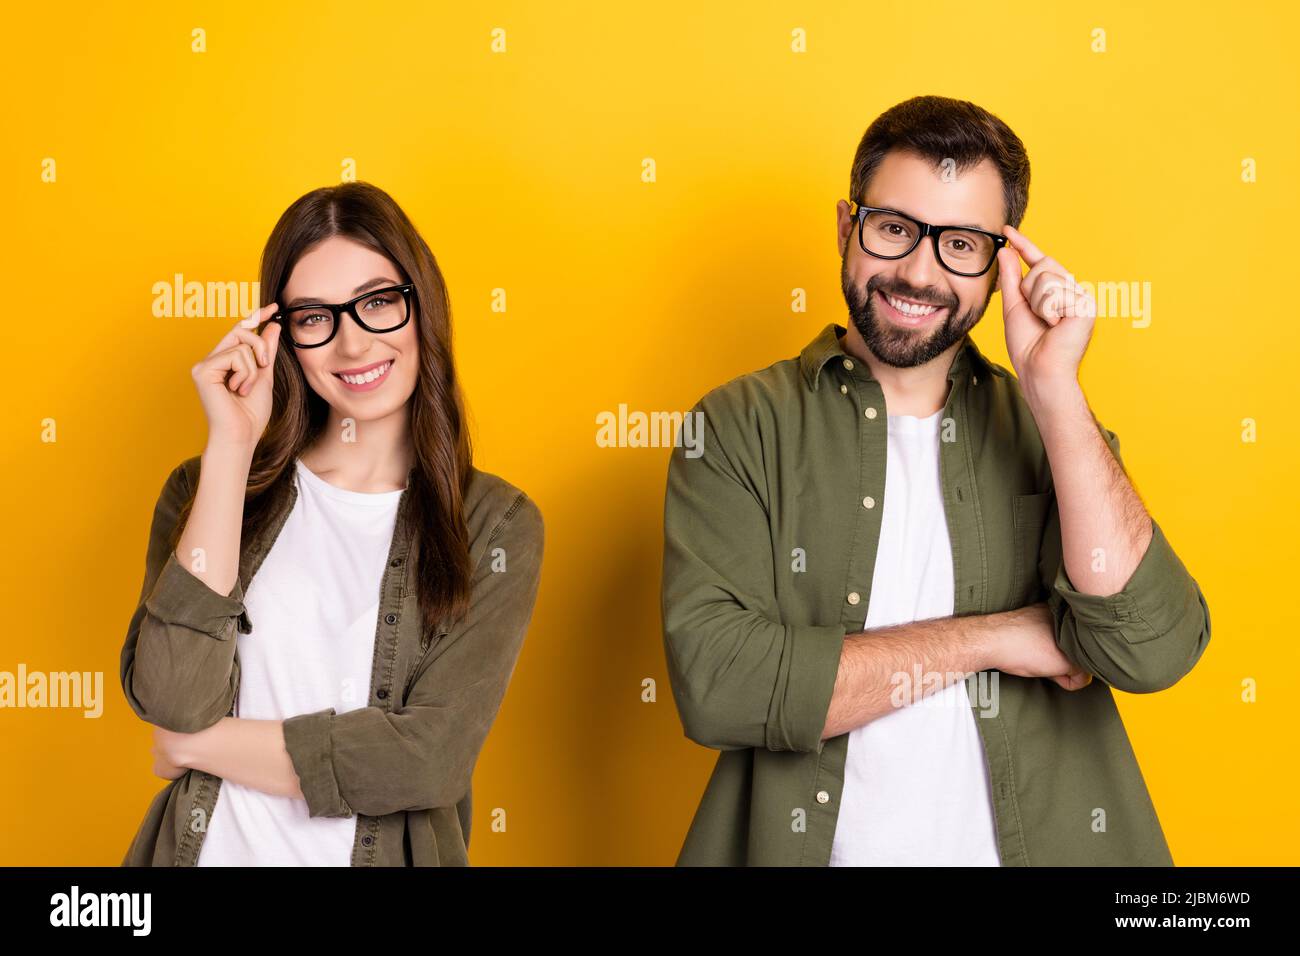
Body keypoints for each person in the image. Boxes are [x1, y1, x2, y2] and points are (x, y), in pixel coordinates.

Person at [660, 95, 1211, 866]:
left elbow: (1153, 650)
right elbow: (724, 687)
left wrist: (1054, 388)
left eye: (960, 244)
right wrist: (1000, 637)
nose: (919, 273)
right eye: (895, 229)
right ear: (847, 225)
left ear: (1000, 266)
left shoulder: (1050, 429)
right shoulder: (738, 425)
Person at [120, 181, 544, 866]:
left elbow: (427, 761)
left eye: (378, 302)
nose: (352, 345)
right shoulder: (205, 490)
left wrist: (199, 745)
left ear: (421, 305)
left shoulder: (495, 525)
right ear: (281, 336)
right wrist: (231, 446)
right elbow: (172, 694)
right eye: (316, 317)